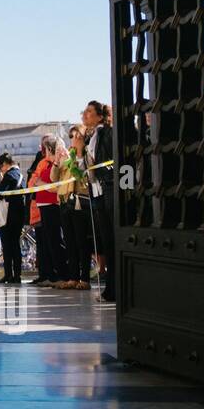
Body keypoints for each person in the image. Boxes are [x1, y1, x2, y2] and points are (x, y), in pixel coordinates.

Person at [83, 99, 116, 301]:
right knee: (105, 241)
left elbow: (119, 163)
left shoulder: (108, 133)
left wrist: (123, 187)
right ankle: (110, 289)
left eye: (89, 112)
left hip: (110, 190)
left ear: (100, 116)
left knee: (112, 242)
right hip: (98, 193)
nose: (85, 115)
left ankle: (112, 289)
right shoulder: (92, 137)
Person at [55, 125, 93, 290]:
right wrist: (57, 162)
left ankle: (84, 278)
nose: (73, 139)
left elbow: (90, 178)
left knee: (81, 241)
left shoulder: (87, 156)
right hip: (65, 201)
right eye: (71, 136)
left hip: (80, 201)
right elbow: (54, 177)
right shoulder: (67, 158)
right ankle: (73, 277)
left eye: (76, 136)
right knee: (69, 241)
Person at [32, 133, 67, 287]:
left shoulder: (59, 162)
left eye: (45, 148)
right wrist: (39, 183)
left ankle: (63, 274)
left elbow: (56, 186)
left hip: (54, 205)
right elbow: (34, 181)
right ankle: (54, 275)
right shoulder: (43, 162)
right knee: (49, 242)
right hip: (42, 206)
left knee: (56, 241)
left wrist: (40, 183)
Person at [0, 153, 27, 283]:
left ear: (5, 164)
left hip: (7, 216)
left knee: (7, 245)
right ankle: (17, 275)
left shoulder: (8, 175)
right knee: (16, 245)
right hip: (19, 215)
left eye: (1, 166)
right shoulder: (20, 175)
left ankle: (8, 274)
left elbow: (0, 194)